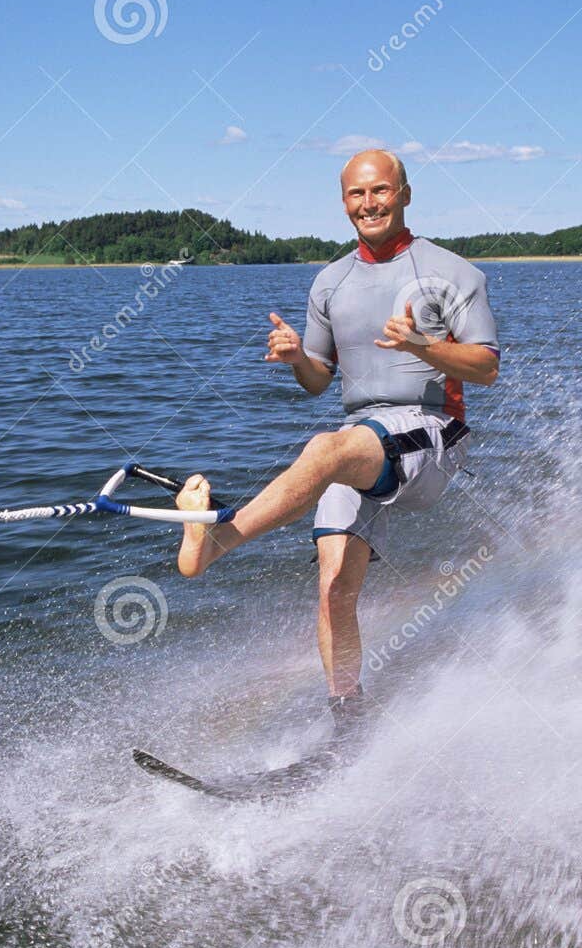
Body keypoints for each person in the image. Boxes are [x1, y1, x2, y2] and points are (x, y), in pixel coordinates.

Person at [175, 148, 499, 726]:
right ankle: (348, 715)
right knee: (333, 586)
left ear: (404, 193)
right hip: (362, 439)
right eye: (357, 194)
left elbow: (485, 366)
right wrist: (299, 356)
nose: (369, 203)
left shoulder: (452, 273)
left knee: (325, 450)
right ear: (343, 201)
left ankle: (216, 541)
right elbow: (317, 383)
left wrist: (425, 346)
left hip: (431, 434)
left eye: (380, 191)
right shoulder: (331, 281)